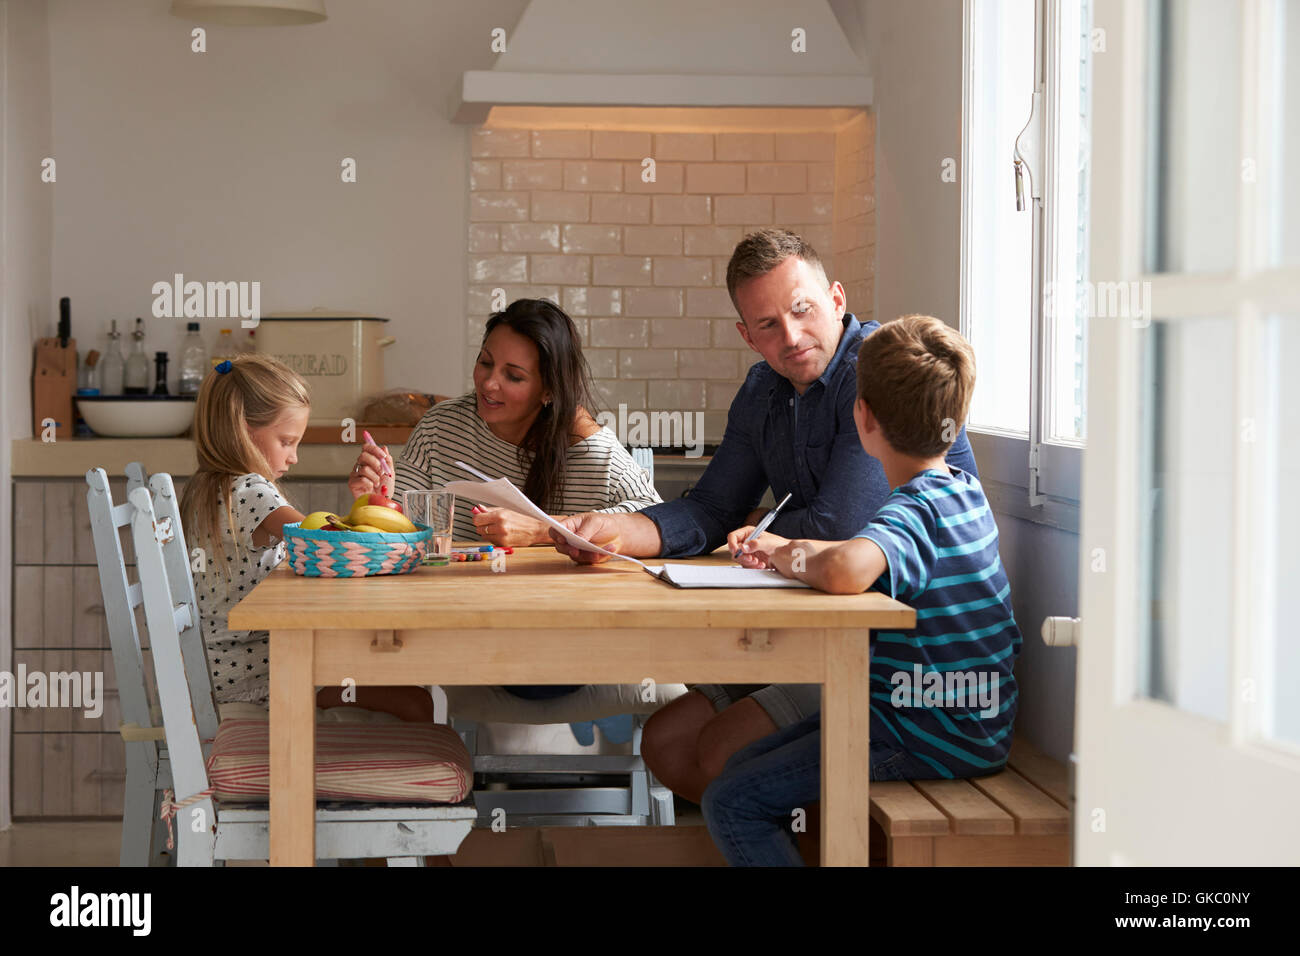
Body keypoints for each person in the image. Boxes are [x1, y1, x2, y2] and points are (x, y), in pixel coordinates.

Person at [551, 229, 979, 801]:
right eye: (768, 325)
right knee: (667, 742)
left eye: (801, 310)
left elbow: (837, 528)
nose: (792, 336)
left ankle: (782, 828)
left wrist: (760, 530)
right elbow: (710, 507)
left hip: (891, 660)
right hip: (805, 632)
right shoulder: (762, 390)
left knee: (721, 751)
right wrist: (615, 531)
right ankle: (770, 835)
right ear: (746, 335)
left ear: (836, 298)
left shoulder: (878, 378)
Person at [703, 314, 1023, 865]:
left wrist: (782, 554)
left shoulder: (914, 508)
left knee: (731, 802)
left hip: (928, 732)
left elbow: (849, 568)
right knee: (739, 768)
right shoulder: (961, 491)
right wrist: (794, 551)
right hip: (958, 718)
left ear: (862, 416)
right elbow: (861, 555)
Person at [349, 297, 661, 699]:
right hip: (453, 626)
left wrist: (544, 529)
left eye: (513, 376)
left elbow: (655, 518)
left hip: (561, 638)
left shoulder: (591, 450)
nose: (488, 383)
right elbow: (398, 525)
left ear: (548, 390)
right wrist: (375, 498)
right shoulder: (443, 427)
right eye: (485, 363)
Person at [179, 354, 432, 720]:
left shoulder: (207, 487)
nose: (294, 457)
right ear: (243, 431)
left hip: (228, 674)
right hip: (259, 682)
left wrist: (367, 502)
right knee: (415, 701)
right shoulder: (250, 490)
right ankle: (372, 775)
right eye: (286, 441)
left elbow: (318, 540)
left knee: (396, 689)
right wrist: (373, 502)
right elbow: (326, 544)